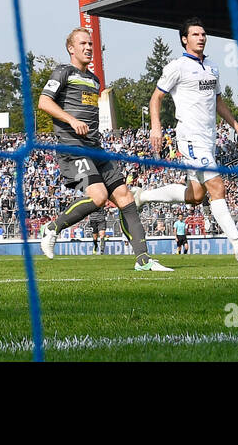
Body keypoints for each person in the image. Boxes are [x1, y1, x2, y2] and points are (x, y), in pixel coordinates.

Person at [36, 27, 171, 272]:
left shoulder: (94, 80)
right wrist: (71, 120)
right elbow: (44, 102)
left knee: (125, 198)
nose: (89, 48)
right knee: (98, 197)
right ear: (71, 48)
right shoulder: (62, 71)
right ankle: (52, 227)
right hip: (72, 147)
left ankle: (143, 260)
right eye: (83, 44)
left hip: (96, 148)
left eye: (91, 44)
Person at [134, 18, 238, 263]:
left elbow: (218, 102)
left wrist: (237, 127)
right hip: (190, 136)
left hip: (208, 138)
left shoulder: (213, 67)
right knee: (217, 187)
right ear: (185, 39)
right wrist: (156, 127)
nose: (201, 37)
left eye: (203, 34)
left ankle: (142, 197)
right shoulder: (177, 67)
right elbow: (156, 99)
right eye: (195, 34)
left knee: (196, 196)